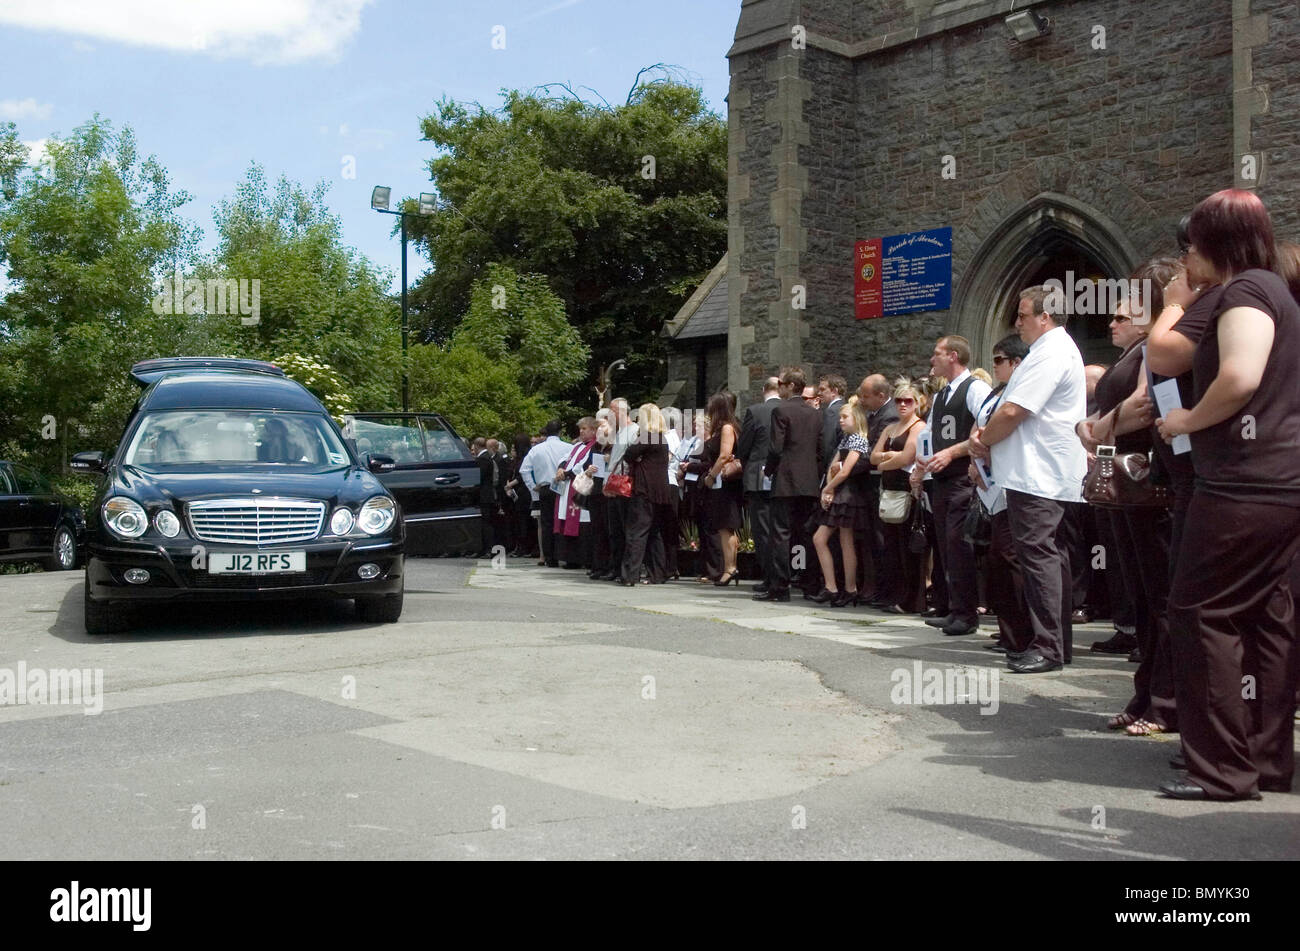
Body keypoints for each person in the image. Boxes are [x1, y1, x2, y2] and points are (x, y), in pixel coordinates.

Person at [1154, 189, 1300, 800]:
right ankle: (1265, 760)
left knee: (1200, 614)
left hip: (1242, 482)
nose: (1187, 260)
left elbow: (1238, 375)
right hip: (1280, 483)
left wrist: (1187, 420)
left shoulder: (1244, 292)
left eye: (1191, 247)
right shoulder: (1280, 294)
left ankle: (1221, 769)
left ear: (1212, 246)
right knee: (1267, 617)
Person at [1077, 259, 1182, 735]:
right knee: (1141, 596)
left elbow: (1144, 405)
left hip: (1151, 482)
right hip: (1125, 485)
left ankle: (1165, 701)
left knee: (1160, 596)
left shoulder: (1156, 346)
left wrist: (1097, 427)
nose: (1119, 312)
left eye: (1134, 301)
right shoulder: (1136, 350)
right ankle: (1145, 695)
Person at [972, 286, 1088, 674]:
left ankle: (1049, 646)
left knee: (1039, 557)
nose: (1017, 322)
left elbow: (1014, 410)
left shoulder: (1051, 351)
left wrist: (983, 441)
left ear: (1045, 317)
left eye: (1023, 315)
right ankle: (1055, 643)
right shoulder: (1048, 350)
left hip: (1039, 474)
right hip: (1036, 472)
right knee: (1048, 557)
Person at [910, 335, 992, 636]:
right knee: (947, 547)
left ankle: (967, 615)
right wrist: (921, 465)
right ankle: (955, 608)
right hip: (941, 480)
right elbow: (931, 435)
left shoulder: (976, 389)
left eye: (937, 354)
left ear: (953, 356)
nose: (933, 360)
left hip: (961, 478)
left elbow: (985, 427)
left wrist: (953, 452)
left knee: (960, 545)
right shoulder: (944, 395)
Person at [970, 335, 1032, 653]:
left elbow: (1011, 427)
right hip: (990, 482)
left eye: (999, 360)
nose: (993, 366)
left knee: (1010, 556)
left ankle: (1021, 633)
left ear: (1017, 363)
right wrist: (974, 456)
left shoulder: (1021, 390)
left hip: (1014, 481)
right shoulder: (997, 392)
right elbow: (978, 427)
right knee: (998, 557)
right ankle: (1009, 629)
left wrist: (984, 447)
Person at [755, 368, 823, 602]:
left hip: (785, 481)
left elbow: (775, 448)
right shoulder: (815, 413)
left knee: (781, 535)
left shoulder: (781, 410)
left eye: (781, 383)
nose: (779, 386)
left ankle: (780, 587)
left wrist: (769, 470)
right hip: (809, 482)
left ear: (790, 386)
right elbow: (820, 450)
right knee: (804, 534)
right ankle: (807, 582)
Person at [806, 400, 870, 606]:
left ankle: (847, 588)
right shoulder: (846, 439)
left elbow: (844, 470)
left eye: (845, 417)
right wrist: (829, 486)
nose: (841, 420)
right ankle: (833, 586)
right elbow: (832, 465)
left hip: (848, 494)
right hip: (839, 492)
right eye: (840, 417)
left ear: (857, 419)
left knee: (844, 542)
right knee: (823, 539)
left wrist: (828, 488)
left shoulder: (858, 440)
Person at [871, 380, 927, 614]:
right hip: (888, 491)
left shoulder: (918, 426)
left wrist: (886, 461)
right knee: (890, 547)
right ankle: (894, 594)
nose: (903, 405)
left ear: (916, 403)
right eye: (899, 401)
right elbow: (873, 456)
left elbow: (907, 457)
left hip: (907, 491)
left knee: (908, 547)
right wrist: (889, 456)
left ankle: (912, 599)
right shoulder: (890, 428)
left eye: (908, 401)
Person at [736, 377, 781, 593]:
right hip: (785, 477)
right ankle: (790, 574)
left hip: (758, 476)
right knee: (783, 530)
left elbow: (744, 446)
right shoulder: (791, 409)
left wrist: (744, 464)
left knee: (762, 530)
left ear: (763, 390)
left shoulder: (755, 411)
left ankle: (770, 577)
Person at [859, 374, 900, 605]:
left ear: (881, 395)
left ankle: (884, 589)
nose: (862, 401)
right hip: (870, 485)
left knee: (882, 539)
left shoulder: (889, 415)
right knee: (872, 539)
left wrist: (848, 464)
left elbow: (873, 452)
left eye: (866, 396)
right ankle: (875, 587)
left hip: (882, 485)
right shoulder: (874, 414)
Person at [621, 404, 673, 586]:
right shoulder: (661, 438)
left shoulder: (646, 436)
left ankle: (630, 575)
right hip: (661, 490)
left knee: (637, 532)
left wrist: (638, 458)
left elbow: (628, 454)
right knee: (654, 533)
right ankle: (658, 573)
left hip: (645, 489)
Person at [701, 392, 744, 586]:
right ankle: (730, 567)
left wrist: (711, 476)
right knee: (725, 527)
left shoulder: (727, 428)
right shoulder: (728, 427)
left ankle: (730, 568)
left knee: (726, 527)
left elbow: (725, 455)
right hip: (724, 483)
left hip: (724, 483)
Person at [518, 421, 573, 568]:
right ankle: (565, 555)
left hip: (545, 487)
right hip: (564, 486)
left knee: (547, 522)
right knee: (563, 520)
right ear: (560, 432)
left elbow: (524, 469)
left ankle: (550, 557)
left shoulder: (536, 450)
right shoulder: (569, 448)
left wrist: (532, 486)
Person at [553, 417, 599, 569]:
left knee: (580, 523)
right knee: (566, 521)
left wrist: (566, 474)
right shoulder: (577, 446)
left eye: (584, 429)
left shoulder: (594, 446)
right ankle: (569, 558)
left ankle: (581, 559)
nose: (581, 431)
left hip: (578, 485)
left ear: (593, 430)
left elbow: (582, 465)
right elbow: (565, 458)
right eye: (580, 429)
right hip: (567, 486)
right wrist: (561, 468)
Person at [604, 398, 638, 581]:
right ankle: (615, 566)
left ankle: (626, 568)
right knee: (615, 530)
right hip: (614, 483)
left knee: (625, 528)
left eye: (613, 411)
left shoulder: (633, 431)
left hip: (624, 484)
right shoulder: (620, 433)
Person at [471, 437, 502, 558]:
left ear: (477, 446)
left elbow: (480, 477)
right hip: (488, 495)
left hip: (485, 495)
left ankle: (489, 549)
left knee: (486, 523)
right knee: (486, 523)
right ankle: (485, 548)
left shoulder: (483, 459)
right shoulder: (487, 458)